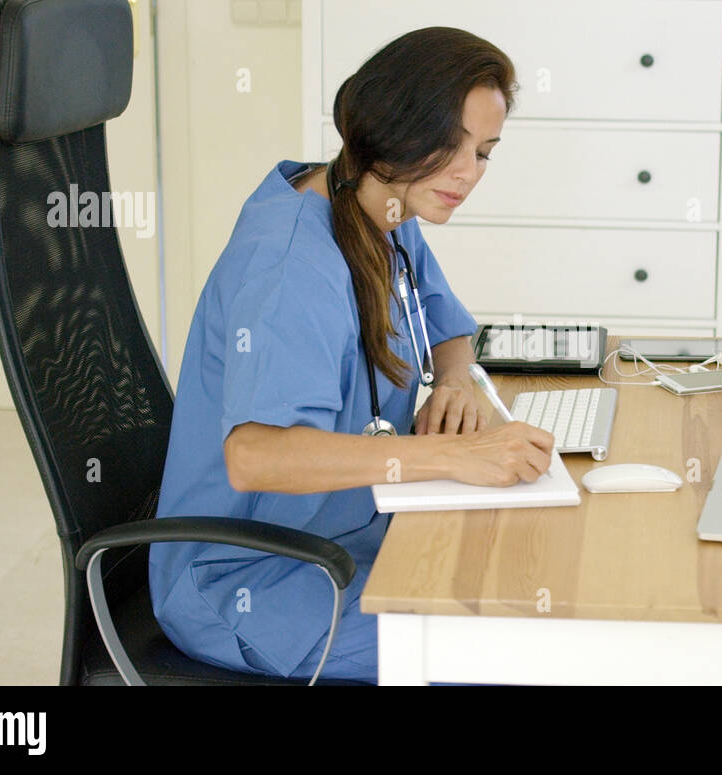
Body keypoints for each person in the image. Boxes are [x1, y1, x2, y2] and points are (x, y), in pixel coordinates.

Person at [149, 27, 554, 683]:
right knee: (519, 646)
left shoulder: (381, 206)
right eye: (451, 146)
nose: (468, 173)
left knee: (535, 579)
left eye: (484, 153)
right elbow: (255, 455)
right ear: (393, 126)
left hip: (350, 536)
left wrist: (454, 382)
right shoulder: (291, 264)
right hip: (251, 581)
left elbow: (446, 326)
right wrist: (452, 454)